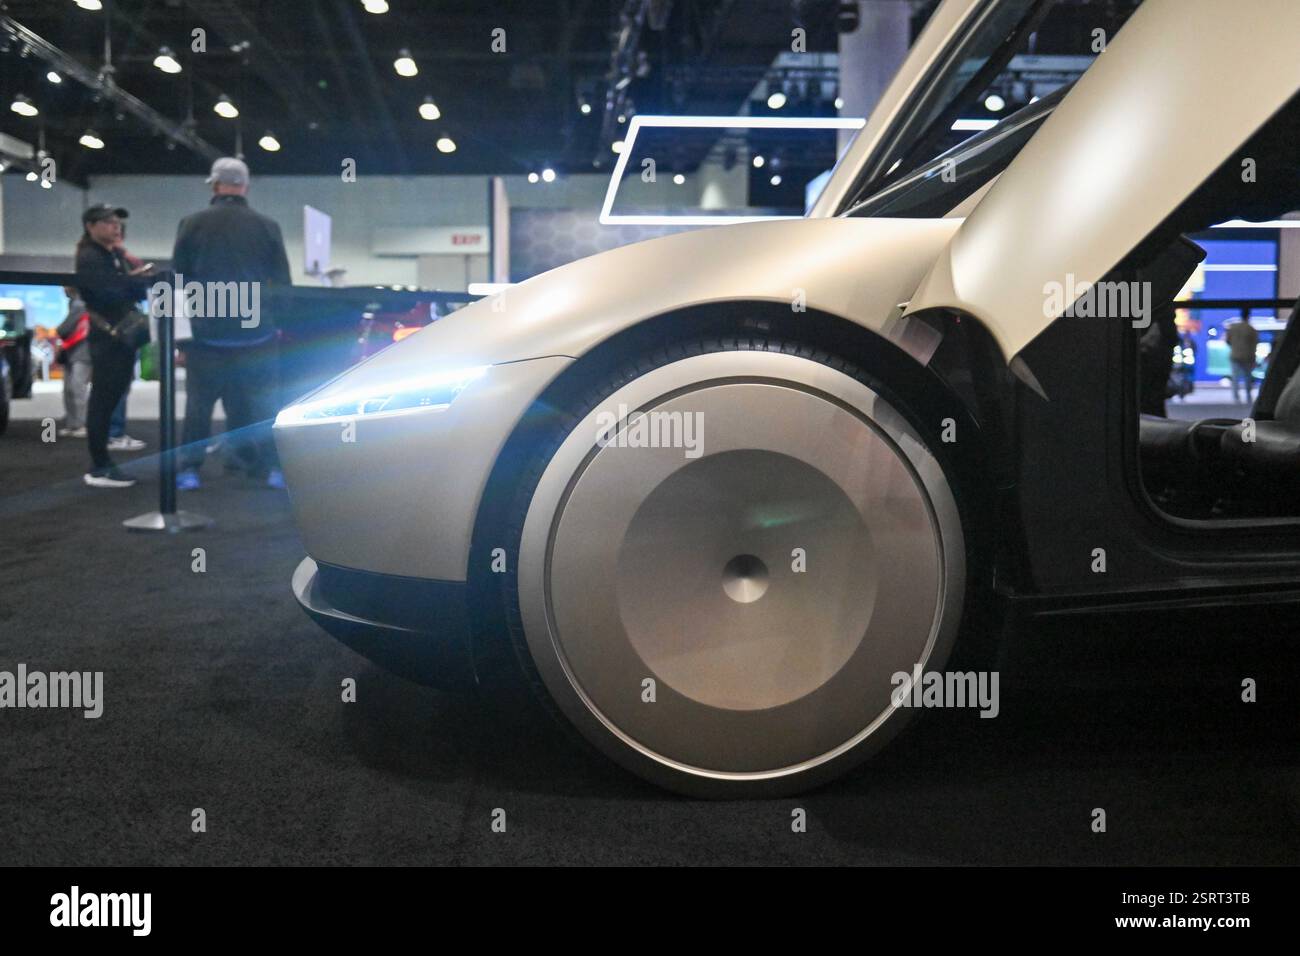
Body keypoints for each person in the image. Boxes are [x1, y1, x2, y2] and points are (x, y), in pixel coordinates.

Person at [173, 157, 292, 491]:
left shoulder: (191, 224)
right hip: (257, 335)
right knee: (264, 405)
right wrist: (277, 324)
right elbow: (282, 284)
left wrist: (180, 339)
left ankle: (189, 471)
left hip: (206, 337)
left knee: (198, 407)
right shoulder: (267, 227)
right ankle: (268, 469)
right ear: (246, 187)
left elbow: (177, 282)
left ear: (214, 185)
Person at [75, 204, 154, 488]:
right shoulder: (90, 257)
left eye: (117, 221)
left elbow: (128, 291)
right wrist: (131, 281)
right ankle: (99, 466)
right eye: (108, 222)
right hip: (108, 339)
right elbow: (106, 294)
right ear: (91, 226)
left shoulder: (112, 255)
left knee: (109, 399)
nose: (115, 226)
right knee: (103, 402)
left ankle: (102, 463)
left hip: (118, 339)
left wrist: (131, 275)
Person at [56, 287, 91, 438]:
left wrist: (60, 330)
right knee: (72, 390)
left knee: (76, 390)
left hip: (81, 353)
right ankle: (74, 424)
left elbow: (63, 329)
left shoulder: (79, 305)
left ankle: (80, 424)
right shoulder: (75, 303)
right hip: (75, 352)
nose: (63, 289)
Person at [1226, 316, 1260, 405]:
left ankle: (1236, 397)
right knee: (1248, 377)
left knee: (1235, 377)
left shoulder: (1233, 328)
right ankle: (1248, 395)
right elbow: (1255, 344)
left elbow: (1228, 341)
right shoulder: (1251, 329)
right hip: (1247, 356)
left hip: (1235, 355)